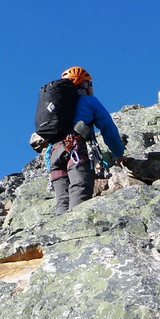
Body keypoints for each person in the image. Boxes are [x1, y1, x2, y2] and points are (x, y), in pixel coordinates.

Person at [49, 66, 125, 214]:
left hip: (54, 156)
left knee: (62, 203)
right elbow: (107, 127)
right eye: (89, 84)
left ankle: (60, 232)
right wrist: (118, 153)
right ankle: (76, 232)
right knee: (79, 190)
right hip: (75, 150)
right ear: (83, 84)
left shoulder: (57, 106)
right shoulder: (89, 101)